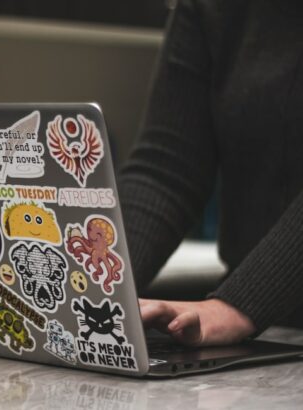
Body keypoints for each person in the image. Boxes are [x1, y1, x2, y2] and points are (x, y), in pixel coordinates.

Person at [119, 0, 303, 346]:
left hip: (252, 310)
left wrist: (238, 305)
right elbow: (167, 168)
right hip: (266, 327)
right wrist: (97, 279)